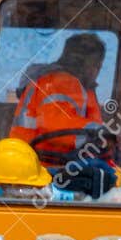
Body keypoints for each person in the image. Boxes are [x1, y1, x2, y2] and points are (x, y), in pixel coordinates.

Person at [10, 32, 107, 169]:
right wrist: (98, 133)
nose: (95, 71)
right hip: (40, 168)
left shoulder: (76, 86)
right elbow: (54, 122)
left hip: (41, 164)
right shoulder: (61, 83)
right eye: (95, 65)